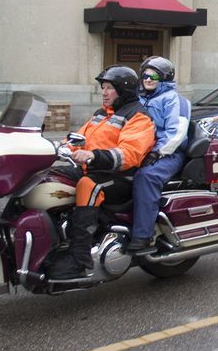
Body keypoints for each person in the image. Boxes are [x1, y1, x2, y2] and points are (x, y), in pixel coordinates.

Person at [49, 66, 153, 279]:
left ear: (123, 90)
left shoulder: (138, 117)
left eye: (109, 88)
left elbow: (130, 154)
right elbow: (78, 139)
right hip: (93, 169)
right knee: (49, 178)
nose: (104, 93)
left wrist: (93, 156)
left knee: (88, 186)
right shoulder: (100, 115)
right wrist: (58, 147)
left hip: (120, 177)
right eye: (103, 88)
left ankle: (80, 259)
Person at [127, 56, 191, 253]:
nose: (148, 79)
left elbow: (177, 133)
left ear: (165, 78)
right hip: (139, 150)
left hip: (169, 154)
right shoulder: (139, 98)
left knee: (147, 177)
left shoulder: (176, 101)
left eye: (153, 75)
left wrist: (157, 153)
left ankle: (143, 235)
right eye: (145, 74)